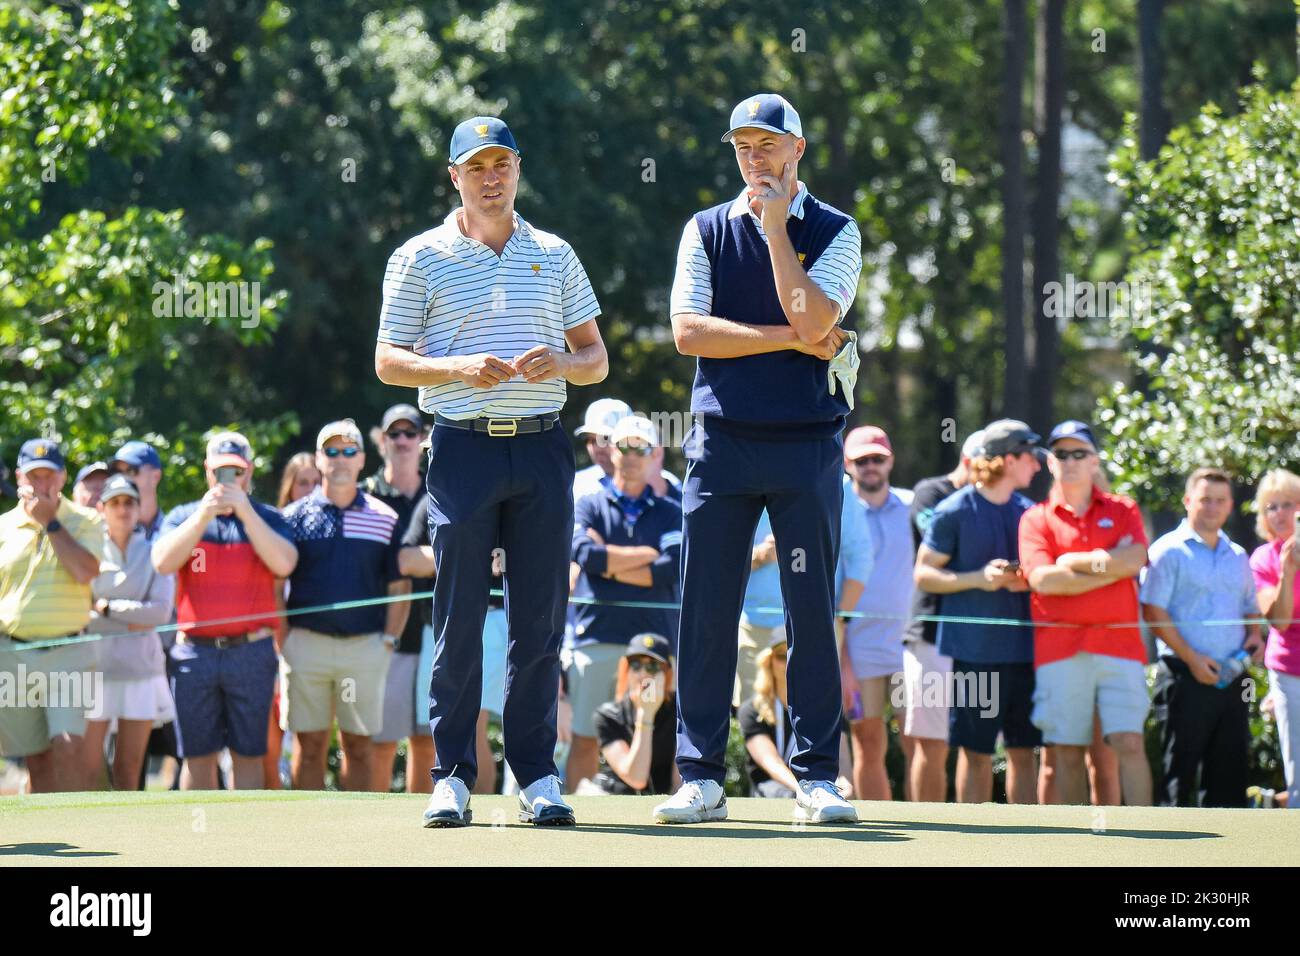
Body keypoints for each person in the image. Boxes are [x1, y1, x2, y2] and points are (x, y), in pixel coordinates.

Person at [375, 115, 608, 827]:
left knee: (538, 619)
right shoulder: (420, 257)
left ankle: (536, 775)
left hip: (541, 446)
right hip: (463, 448)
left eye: (501, 162)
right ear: (454, 177)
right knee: (459, 616)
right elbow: (389, 360)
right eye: (476, 166)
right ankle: (452, 775)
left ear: (517, 168)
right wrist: (457, 369)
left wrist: (563, 363)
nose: (491, 176)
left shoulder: (556, 252)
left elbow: (595, 359)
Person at [657, 92, 863, 826]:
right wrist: (790, 336)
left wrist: (777, 231)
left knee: (811, 612)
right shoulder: (704, 229)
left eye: (767, 145)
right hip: (722, 441)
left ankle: (816, 776)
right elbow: (688, 334)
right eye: (743, 147)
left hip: (807, 442)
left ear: (796, 150)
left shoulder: (838, 231)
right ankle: (700, 775)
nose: (755, 159)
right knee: (706, 608)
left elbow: (817, 316)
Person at [152, 431, 298, 790]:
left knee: (248, 754)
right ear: (207, 471)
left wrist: (244, 510)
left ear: (248, 473)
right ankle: (198, 840)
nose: (228, 479)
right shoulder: (186, 516)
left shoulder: (267, 517)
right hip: (195, 652)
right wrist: (204, 514)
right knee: (197, 755)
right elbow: (162, 562)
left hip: (251, 650)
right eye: (220, 471)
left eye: (236, 471)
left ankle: (243, 841)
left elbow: (285, 563)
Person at [1019, 420, 1152, 806]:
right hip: (1060, 647)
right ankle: (1076, 847)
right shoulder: (1035, 518)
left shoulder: (1123, 509)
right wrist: (1109, 570)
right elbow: (1044, 580)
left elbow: (1137, 558)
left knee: (1129, 741)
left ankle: (1146, 835)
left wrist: (1078, 561)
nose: (1071, 461)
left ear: (1095, 461)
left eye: (1080, 453)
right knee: (1066, 752)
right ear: (1049, 461)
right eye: (1062, 454)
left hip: (1120, 646)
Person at [914, 420, 1042, 804]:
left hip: (1027, 651)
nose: (1037, 465)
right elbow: (923, 574)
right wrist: (979, 578)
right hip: (975, 653)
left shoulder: (1031, 511)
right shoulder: (954, 509)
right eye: (1030, 455)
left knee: (1024, 751)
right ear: (1007, 459)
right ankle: (974, 841)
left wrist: (1026, 578)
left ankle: (1032, 842)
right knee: (976, 750)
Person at [279, 421, 408, 791]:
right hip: (306, 646)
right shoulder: (293, 519)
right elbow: (277, 586)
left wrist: (388, 641)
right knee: (310, 744)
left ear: (362, 459)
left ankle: (359, 838)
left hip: (363, 649)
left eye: (348, 451)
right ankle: (307, 835)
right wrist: (283, 639)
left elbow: (398, 585)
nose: (340, 459)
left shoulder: (384, 518)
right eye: (331, 452)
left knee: (359, 745)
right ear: (319, 459)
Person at [567, 415, 683, 789]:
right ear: (611, 451)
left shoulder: (672, 509)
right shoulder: (588, 504)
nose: (632, 455)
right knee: (585, 736)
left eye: (641, 447)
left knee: (659, 733)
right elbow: (585, 555)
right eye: (624, 446)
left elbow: (669, 569)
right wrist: (645, 555)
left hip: (654, 647)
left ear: (654, 455)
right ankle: (571, 814)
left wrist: (609, 564)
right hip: (597, 635)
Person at [1141, 467, 1263, 807]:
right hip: (1183, 676)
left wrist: (1254, 634)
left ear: (1229, 506)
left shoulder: (1237, 555)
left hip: (1233, 679)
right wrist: (1193, 660)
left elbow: (1249, 605)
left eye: (1220, 501)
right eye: (1205, 499)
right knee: (1179, 778)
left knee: (1230, 777)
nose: (1212, 507)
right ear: (1188, 501)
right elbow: (1153, 612)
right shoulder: (1167, 551)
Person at [0, 440, 104, 792]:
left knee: (68, 745)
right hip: (13, 654)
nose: (41, 484)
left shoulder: (86, 520)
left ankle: (78, 828)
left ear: (62, 478)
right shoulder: (3, 527)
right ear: (19, 478)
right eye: (34, 476)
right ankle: (53, 831)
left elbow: (85, 572)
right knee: (36, 757)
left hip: (70, 651)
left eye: (49, 476)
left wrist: (51, 524)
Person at [400, 493, 510, 795]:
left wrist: (453, 555)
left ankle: (483, 812)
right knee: (428, 733)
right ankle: (434, 805)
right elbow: (407, 559)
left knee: (473, 727)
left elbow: (503, 560)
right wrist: (464, 555)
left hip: (490, 623)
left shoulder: (503, 500)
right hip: (440, 625)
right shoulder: (432, 501)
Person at [80, 475, 176, 791]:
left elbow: (160, 613)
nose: (123, 509)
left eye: (129, 502)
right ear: (102, 508)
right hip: (95, 670)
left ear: (138, 507)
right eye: (115, 502)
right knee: (88, 767)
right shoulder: (87, 550)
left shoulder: (155, 552)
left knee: (129, 768)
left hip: (141, 671)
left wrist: (107, 609)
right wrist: (134, 615)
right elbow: (82, 612)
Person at [903, 429, 982, 802]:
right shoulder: (930, 493)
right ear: (968, 462)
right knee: (932, 743)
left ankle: (978, 834)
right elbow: (944, 548)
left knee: (975, 743)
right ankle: (930, 830)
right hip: (930, 633)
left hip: (980, 638)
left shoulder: (996, 501)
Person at [362, 403, 437, 792]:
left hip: (432, 632)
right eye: (395, 434)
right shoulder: (365, 497)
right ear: (382, 441)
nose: (404, 441)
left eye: (411, 433)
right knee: (381, 740)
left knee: (426, 741)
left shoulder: (439, 490)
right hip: (382, 636)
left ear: (423, 439)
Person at [841, 425, 912, 801]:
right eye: (861, 460)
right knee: (868, 742)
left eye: (877, 458)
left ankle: (932, 828)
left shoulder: (915, 506)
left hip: (909, 645)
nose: (870, 466)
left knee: (918, 739)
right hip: (857, 648)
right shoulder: (837, 512)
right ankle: (882, 825)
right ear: (847, 464)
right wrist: (842, 659)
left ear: (890, 461)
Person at [1250, 468, 1300, 809]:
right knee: (1297, 764)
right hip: (1289, 671)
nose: (1279, 513)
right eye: (1271, 507)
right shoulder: (1263, 559)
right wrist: (1288, 571)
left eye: (1287, 505)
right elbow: (1279, 620)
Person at [589, 633, 680, 795]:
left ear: (666, 673)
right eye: (635, 665)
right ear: (627, 670)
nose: (643, 673)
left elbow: (679, 785)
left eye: (652, 666)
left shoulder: (679, 713)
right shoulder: (607, 716)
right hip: (615, 797)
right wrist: (645, 714)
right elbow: (636, 778)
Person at [738, 634, 803, 798]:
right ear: (769, 662)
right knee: (787, 795)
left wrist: (843, 783)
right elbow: (770, 762)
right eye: (782, 655)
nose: (788, 662)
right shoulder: (752, 710)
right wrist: (803, 791)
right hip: (772, 789)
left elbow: (842, 758)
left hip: (813, 786)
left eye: (794, 655)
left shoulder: (822, 708)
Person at [572, 398, 633, 499]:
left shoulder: (662, 484)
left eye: (605, 439)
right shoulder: (575, 485)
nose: (597, 448)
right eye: (590, 440)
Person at [109, 441, 166, 540]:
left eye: (131, 471)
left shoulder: (176, 530)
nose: (123, 479)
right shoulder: (105, 534)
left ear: (155, 476)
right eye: (117, 472)